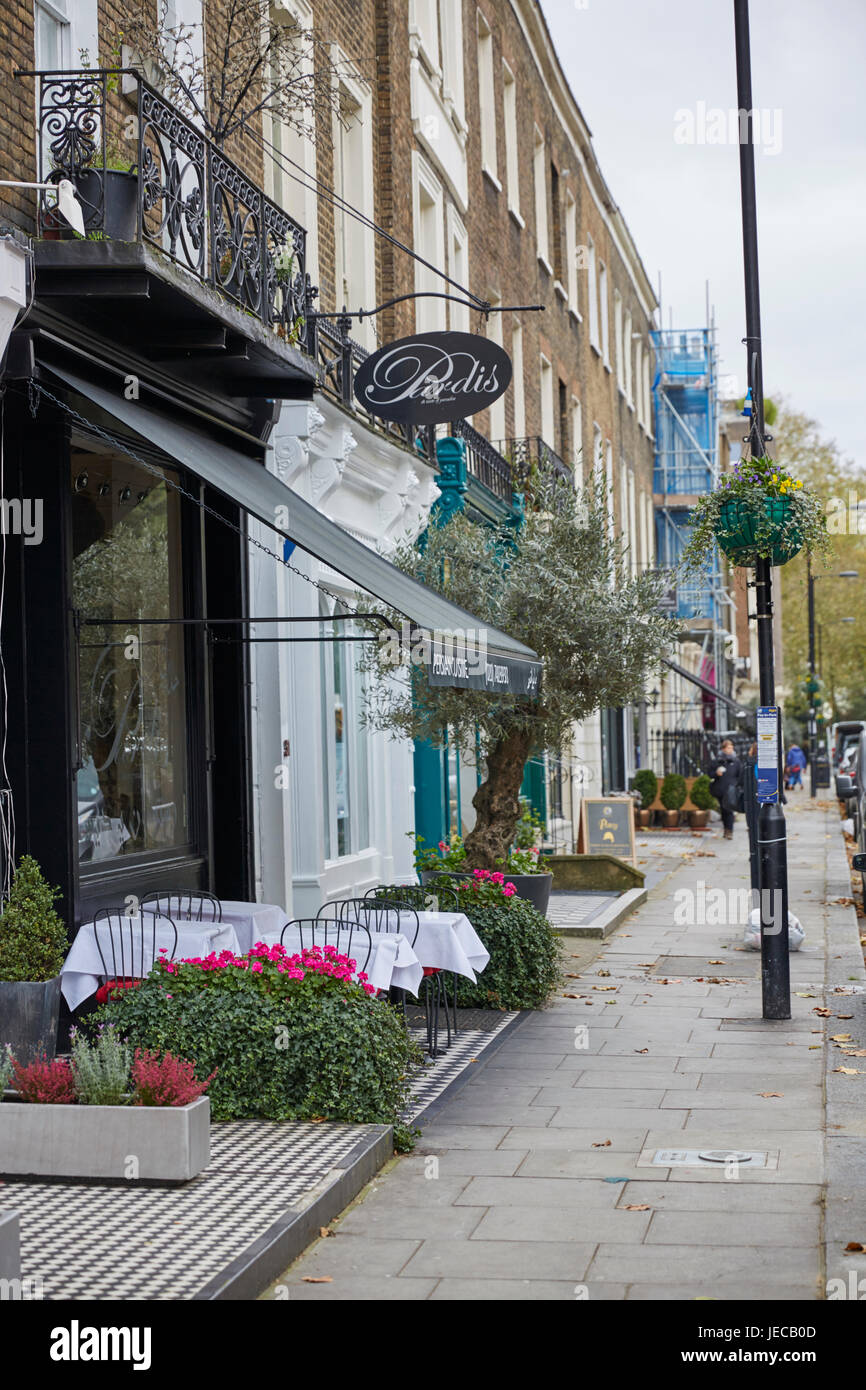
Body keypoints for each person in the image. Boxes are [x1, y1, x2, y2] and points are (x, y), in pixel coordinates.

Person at [709, 738, 742, 840]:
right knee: (724, 810)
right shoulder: (717, 761)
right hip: (720, 789)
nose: (730, 749)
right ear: (723, 749)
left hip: (731, 790)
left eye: (731, 747)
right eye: (728, 747)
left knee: (729, 810)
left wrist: (736, 785)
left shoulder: (736, 761)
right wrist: (716, 774)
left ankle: (729, 831)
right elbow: (709, 773)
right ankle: (726, 829)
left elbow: (739, 775)